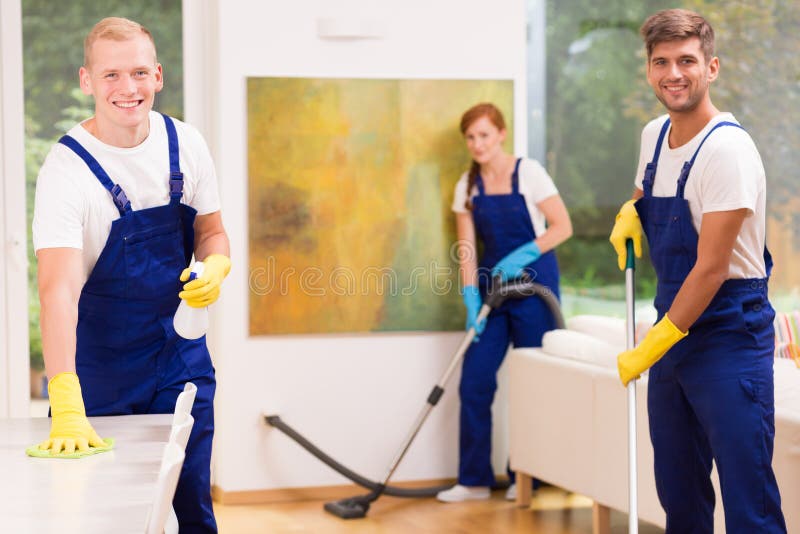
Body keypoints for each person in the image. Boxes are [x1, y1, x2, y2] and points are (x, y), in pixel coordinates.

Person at [31, 17, 229, 533]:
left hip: (179, 353)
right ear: (87, 80)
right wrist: (65, 396)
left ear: (158, 76)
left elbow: (212, 231)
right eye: (112, 75)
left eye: (139, 72)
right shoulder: (66, 172)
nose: (128, 88)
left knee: (193, 507)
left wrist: (216, 265)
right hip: (100, 370)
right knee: (98, 513)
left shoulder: (186, 144)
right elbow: (56, 292)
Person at [609, 9, 785, 532]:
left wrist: (654, 342)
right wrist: (630, 213)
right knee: (679, 494)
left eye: (686, 60)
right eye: (660, 61)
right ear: (648, 70)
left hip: (730, 331)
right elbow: (649, 193)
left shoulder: (727, 150)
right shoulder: (653, 134)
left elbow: (710, 269)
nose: (673, 73)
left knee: (747, 498)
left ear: (712, 68)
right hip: (673, 329)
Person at [437, 103, 572, 503]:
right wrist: (469, 296)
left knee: (532, 383)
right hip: (493, 288)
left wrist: (525, 253)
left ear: (500, 134)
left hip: (535, 286)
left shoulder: (528, 173)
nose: (477, 144)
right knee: (476, 380)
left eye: (483, 135)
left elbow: (563, 226)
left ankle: (526, 477)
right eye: (470, 137)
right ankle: (474, 480)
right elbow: (466, 246)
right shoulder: (468, 185)